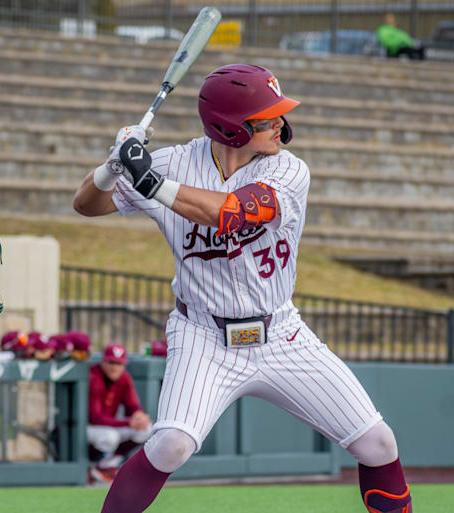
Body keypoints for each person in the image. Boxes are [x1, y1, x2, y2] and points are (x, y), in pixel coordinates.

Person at [73, 64, 412, 513]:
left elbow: (231, 213)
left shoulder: (289, 171)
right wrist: (112, 166)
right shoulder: (173, 162)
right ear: (230, 128)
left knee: (377, 442)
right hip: (202, 336)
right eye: (267, 117)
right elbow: (86, 205)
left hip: (281, 335)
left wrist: (150, 181)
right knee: (170, 443)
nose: (281, 124)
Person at [87, 344, 152, 484]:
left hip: (107, 426)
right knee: (110, 436)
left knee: (146, 429)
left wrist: (139, 416)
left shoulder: (124, 378)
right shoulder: (94, 376)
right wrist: (128, 422)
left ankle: (106, 466)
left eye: (119, 363)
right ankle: (90, 466)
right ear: (103, 361)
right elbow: (95, 418)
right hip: (87, 428)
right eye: (111, 362)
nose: (114, 367)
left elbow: (133, 405)